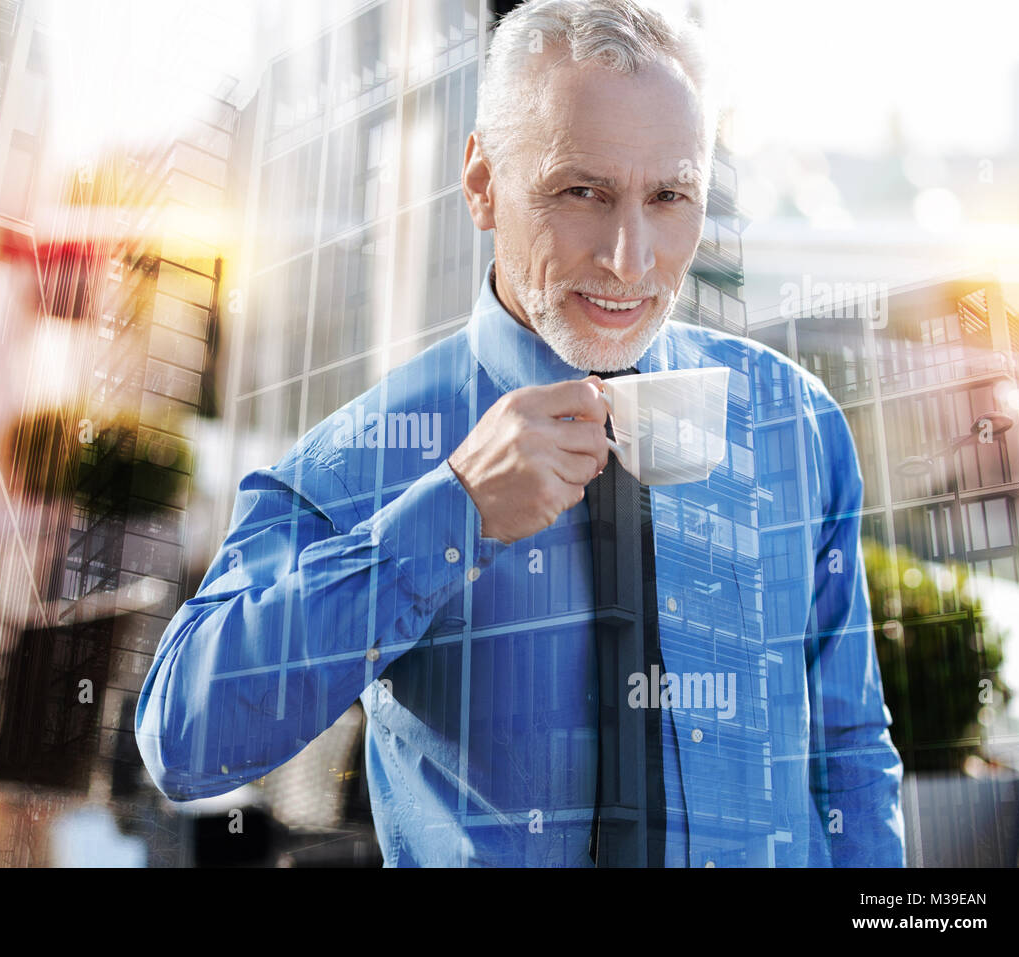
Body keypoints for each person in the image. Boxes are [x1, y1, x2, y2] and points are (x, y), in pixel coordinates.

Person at [136, 0, 906, 867]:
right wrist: (448, 513)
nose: (630, 256)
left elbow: (849, 755)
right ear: (481, 183)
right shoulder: (365, 456)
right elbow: (182, 744)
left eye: (669, 195)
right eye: (583, 191)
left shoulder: (796, 427)